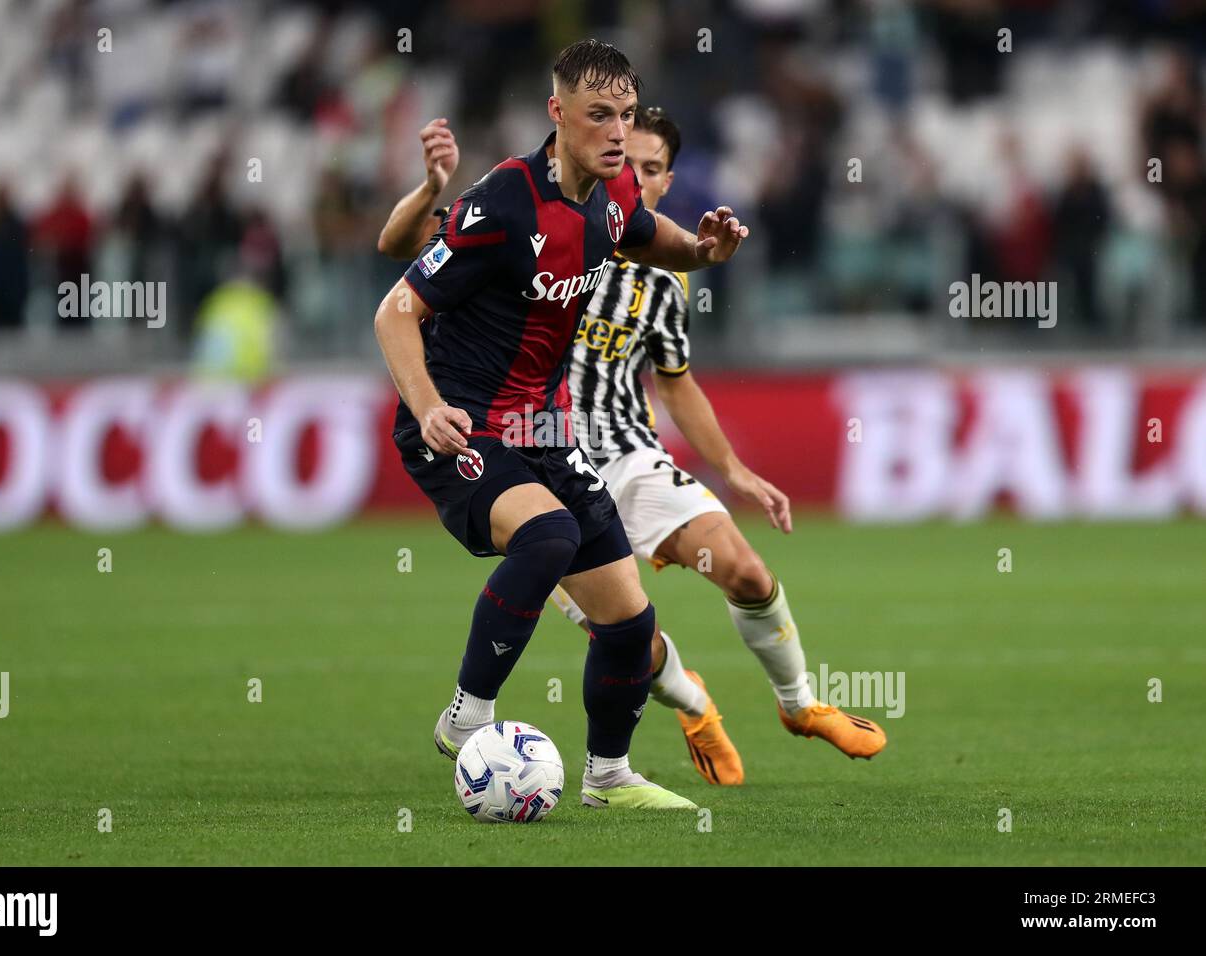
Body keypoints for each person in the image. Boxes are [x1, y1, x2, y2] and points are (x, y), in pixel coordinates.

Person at [379, 108, 887, 787]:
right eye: (626, 163)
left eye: (650, 169)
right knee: (631, 638)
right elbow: (404, 251)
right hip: (541, 448)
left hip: (626, 452)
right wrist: (433, 186)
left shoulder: (659, 275)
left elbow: (675, 384)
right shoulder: (532, 224)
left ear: (666, 180)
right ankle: (691, 711)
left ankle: (800, 705)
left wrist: (734, 468)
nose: (634, 177)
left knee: (744, 569)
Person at [371, 39, 748, 810]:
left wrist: (706, 252)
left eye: (628, 116)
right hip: (460, 421)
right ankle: (468, 712)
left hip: (542, 428)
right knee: (548, 538)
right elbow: (396, 309)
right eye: (599, 116)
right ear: (558, 115)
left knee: (628, 619)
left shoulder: (614, 198)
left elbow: (658, 239)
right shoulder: (504, 200)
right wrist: (427, 408)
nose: (618, 134)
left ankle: (608, 776)